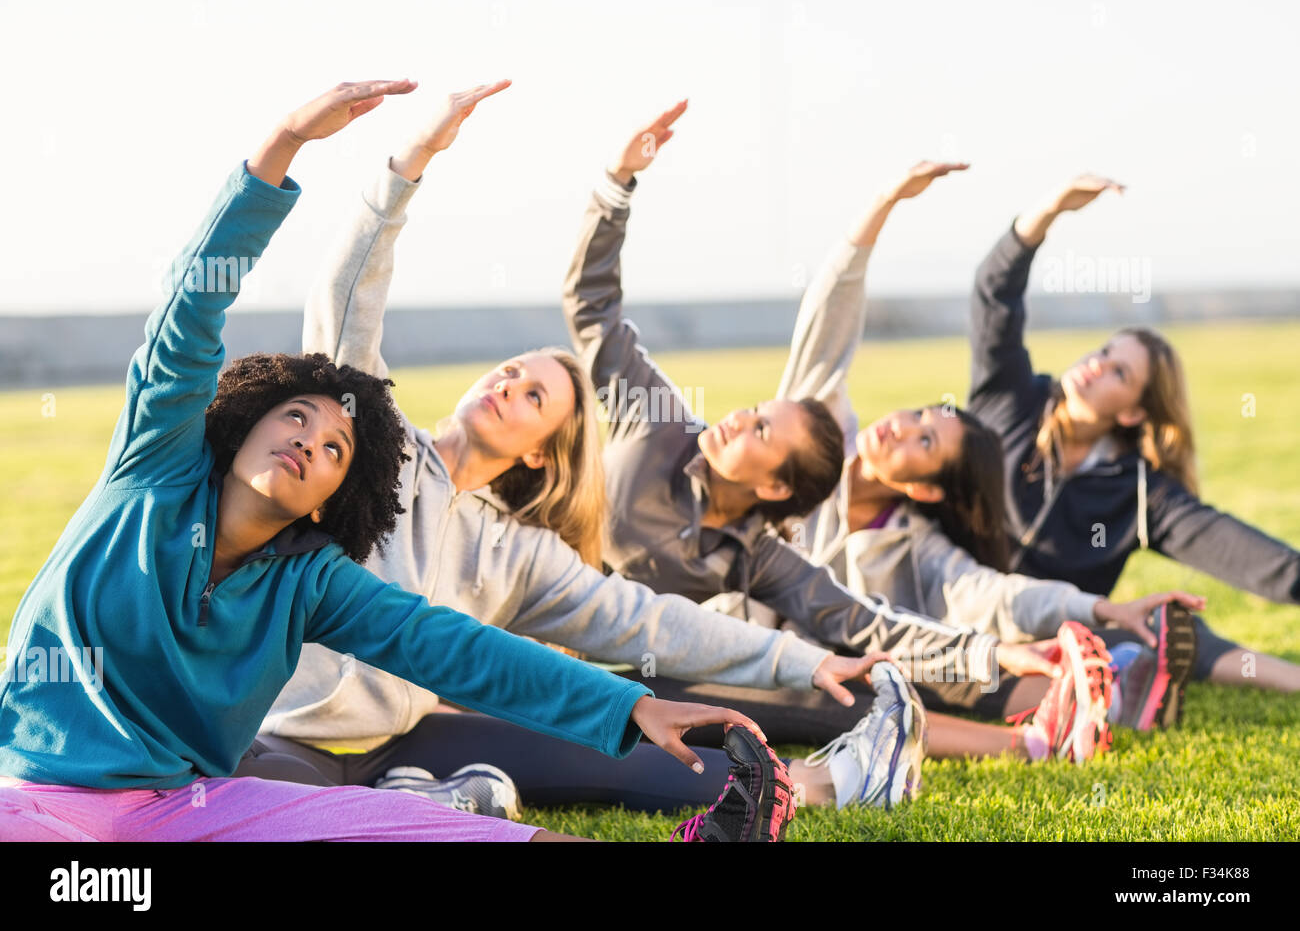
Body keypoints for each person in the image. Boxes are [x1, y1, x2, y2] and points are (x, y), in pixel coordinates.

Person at [0, 80, 784, 844]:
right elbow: (187, 319)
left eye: (336, 447)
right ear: (241, 425)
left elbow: (458, 650)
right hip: (35, 799)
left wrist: (632, 709)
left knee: (432, 830)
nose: (311, 438)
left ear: (335, 498)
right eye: (295, 415)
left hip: (190, 809)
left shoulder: (313, 579)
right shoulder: (153, 472)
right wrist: (284, 146)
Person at [240, 81, 928, 814]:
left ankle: (831, 784)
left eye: (534, 395)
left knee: (606, 720)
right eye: (509, 372)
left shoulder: (518, 554)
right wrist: (406, 168)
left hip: (400, 738)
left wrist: (808, 659)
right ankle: (423, 806)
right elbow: (345, 307)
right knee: (266, 794)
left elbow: (650, 622)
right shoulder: (373, 447)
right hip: (282, 734)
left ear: (540, 453)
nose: (508, 384)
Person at [562, 100, 1117, 769]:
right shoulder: (659, 422)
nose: (739, 415)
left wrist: (991, 649)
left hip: (627, 680)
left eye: (763, 427)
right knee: (808, 669)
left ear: (773, 483)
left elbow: (869, 625)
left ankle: (1040, 729)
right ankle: (1030, 722)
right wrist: (617, 183)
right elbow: (594, 307)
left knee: (822, 672)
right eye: (760, 409)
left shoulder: (764, 556)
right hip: (523, 621)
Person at [773, 158, 1207, 730]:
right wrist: (884, 202)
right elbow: (826, 323)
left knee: (910, 673)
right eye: (920, 415)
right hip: (711, 626)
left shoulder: (915, 545)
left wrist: (1100, 609)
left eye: (924, 439)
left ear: (925, 489)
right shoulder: (819, 444)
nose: (900, 425)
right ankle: (1103, 685)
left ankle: (1110, 687)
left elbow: (1000, 596)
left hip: (811, 669)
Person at [966, 173, 1300, 693]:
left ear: (1132, 414)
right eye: (1104, 352)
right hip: (945, 608)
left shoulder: (1141, 492)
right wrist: (1047, 213)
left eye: (1120, 373)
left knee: (1167, 626)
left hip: (1047, 638)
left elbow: (1251, 557)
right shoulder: (1010, 400)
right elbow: (994, 296)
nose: (1097, 366)